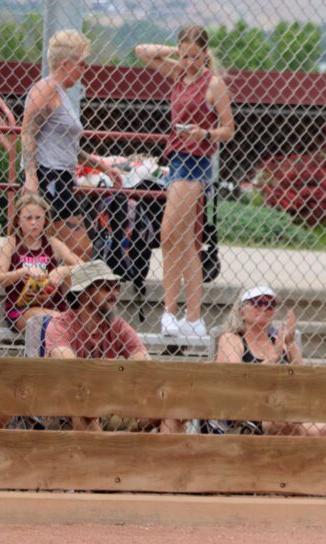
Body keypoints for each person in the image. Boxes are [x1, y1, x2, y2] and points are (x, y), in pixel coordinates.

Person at [135, 26, 235, 341]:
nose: (190, 62)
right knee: (187, 242)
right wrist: (176, 53)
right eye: (185, 55)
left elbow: (229, 128)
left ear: (205, 53)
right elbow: (142, 52)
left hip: (196, 161)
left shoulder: (213, 84)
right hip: (177, 158)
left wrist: (204, 134)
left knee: (168, 235)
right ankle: (193, 318)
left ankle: (169, 311)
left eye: (195, 56)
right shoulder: (179, 73)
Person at [45, 259, 183, 433]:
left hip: (110, 407)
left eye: (116, 287)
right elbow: (74, 373)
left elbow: (147, 368)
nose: (114, 292)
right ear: (84, 294)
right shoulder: (60, 325)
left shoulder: (117, 325)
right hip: (70, 412)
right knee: (82, 404)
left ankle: (160, 454)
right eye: (106, 288)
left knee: (174, 406)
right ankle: (106, 449)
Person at [20, 30, 124, 261]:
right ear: (66, 64)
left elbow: (70, 148)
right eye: (81, 64)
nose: (84, 69)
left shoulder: (62, 95)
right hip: (48, 175)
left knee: (60, 252)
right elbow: (27, 132)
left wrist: (104, 167)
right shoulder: (47, 89)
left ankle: (57, 285)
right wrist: (31, 177)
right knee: (80, 249)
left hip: (62, 177)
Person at [210, 285, 326, 436]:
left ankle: (300, 442)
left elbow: (304, 379)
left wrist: (290, 343)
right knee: (283, 424)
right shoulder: (232, 339)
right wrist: (273, 358)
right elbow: (237, 381)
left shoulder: (279, 340)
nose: (265, 307)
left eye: (270, 304)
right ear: (241, 310)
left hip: (286, 407)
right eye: (258, 303)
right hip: (250, 412)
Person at [0, 193, 81, 339]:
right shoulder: (12, 242)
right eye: (28, 218)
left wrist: (63, 270)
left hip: (53, 306)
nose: (33, 222)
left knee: (56, 321)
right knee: (50, 321)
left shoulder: (52, 242)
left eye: (38, 218)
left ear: (45, 220)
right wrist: (23, 271)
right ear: (18, 220)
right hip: (21, 310)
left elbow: (83, 266)